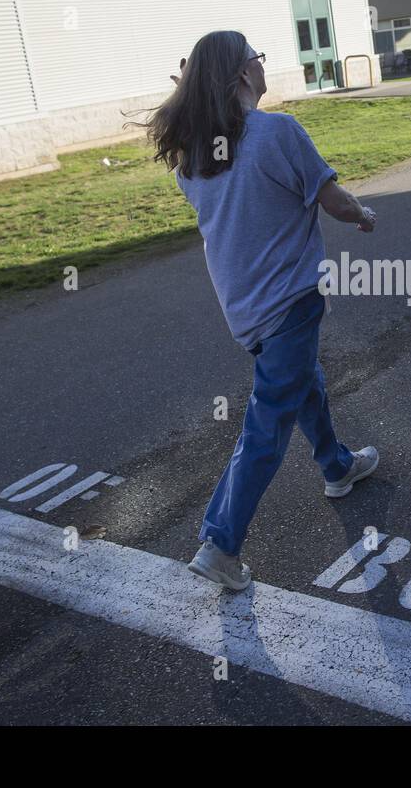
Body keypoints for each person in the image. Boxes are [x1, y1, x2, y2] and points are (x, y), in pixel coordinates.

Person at [144, 31, 380, 591]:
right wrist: (363, 214)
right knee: (267, 419)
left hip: (244, 310)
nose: (261, 61)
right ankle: (221, 543)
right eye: (256, 53)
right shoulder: (278, 133)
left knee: (303, 384)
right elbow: (335, 201)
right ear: (243, 73)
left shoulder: (193, 158)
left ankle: (338, 467)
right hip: (289, 303)